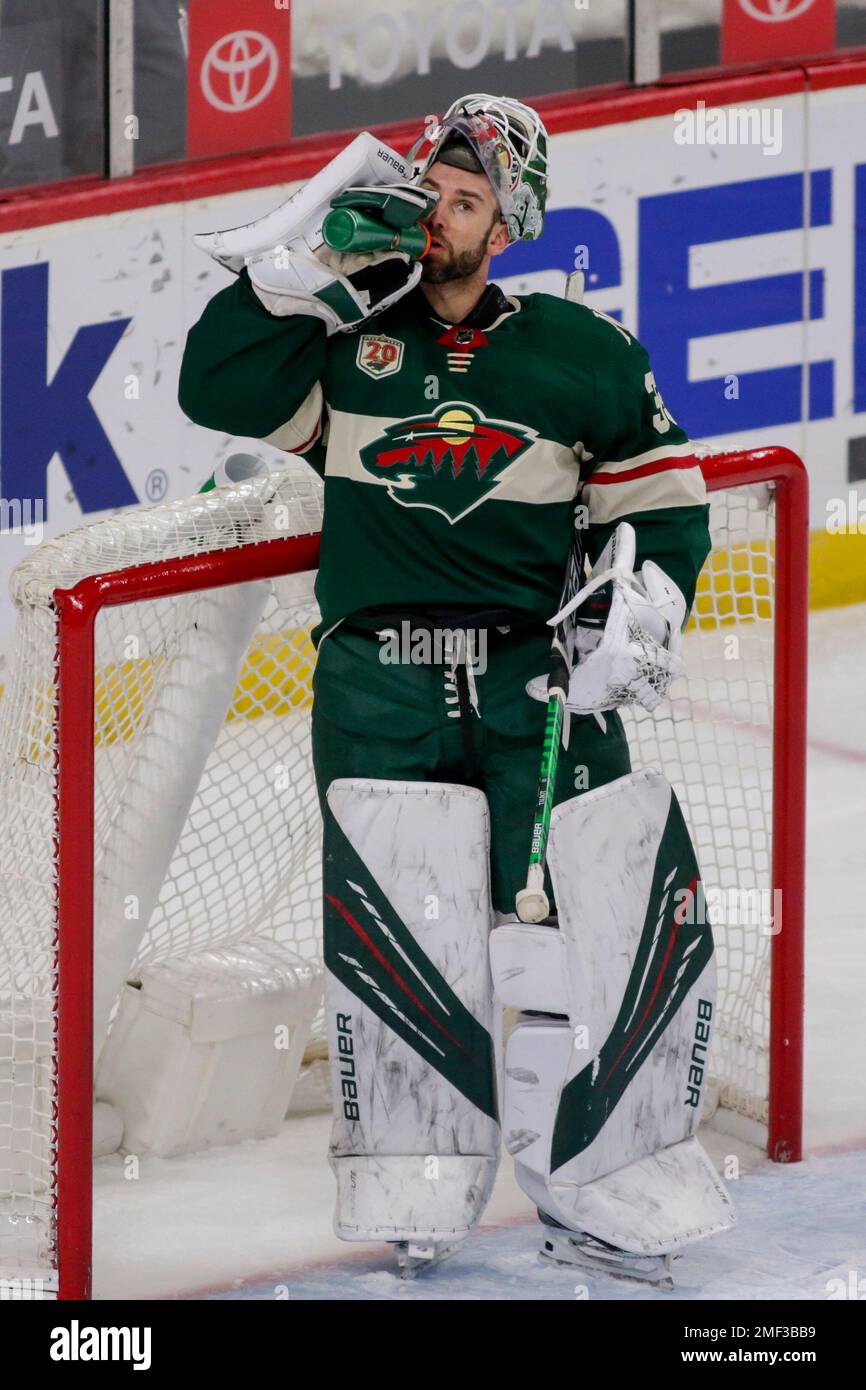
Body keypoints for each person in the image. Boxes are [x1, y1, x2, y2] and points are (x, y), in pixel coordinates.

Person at [179, 95, 724, 1284]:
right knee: (400, 945)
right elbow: (211, 387)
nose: (442, 209)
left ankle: (606, 1185)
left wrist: (646, 604)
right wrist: (305, 267)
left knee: (576, 939)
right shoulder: (348, 337)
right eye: (433, 190)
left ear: (512, 218)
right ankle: (412, 1187)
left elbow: (663, 507)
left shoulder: (579, 351)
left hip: (537, 682)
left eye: (469, 196)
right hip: (377, 684)